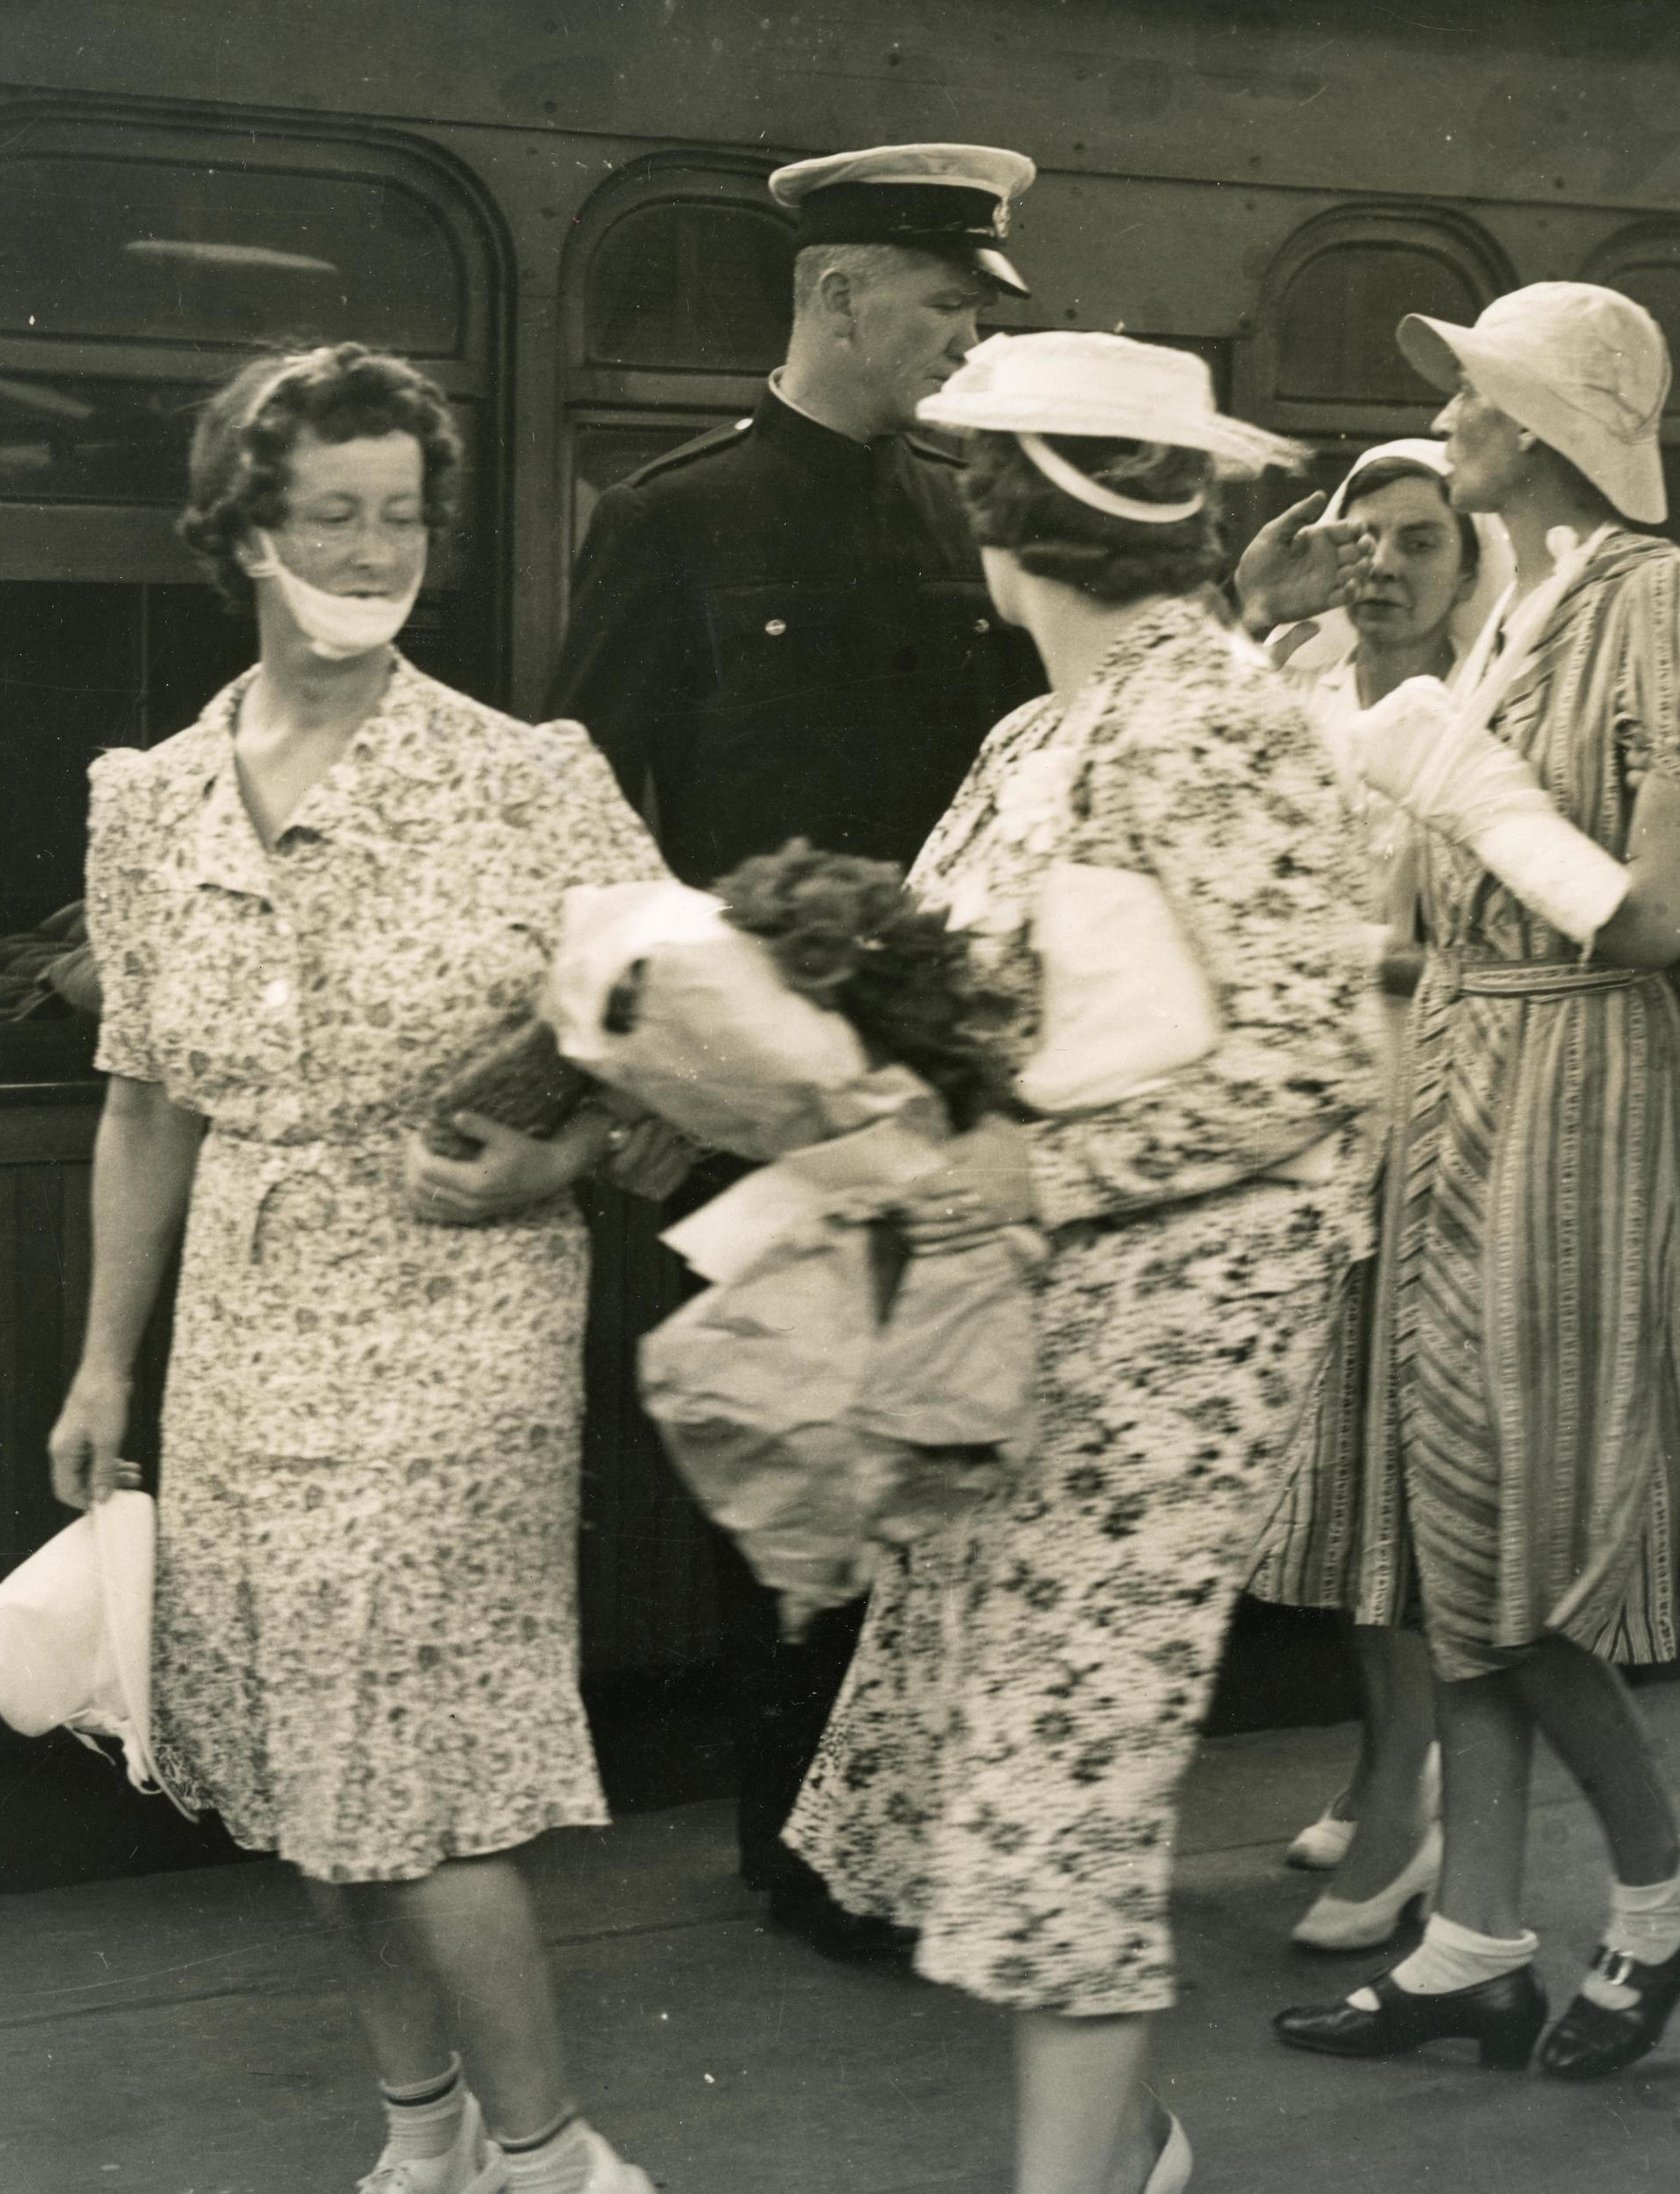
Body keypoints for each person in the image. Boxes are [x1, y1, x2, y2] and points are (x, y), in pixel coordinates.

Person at [47, 343, 692, 2194]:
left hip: (457, 1312)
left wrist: (552, 1169)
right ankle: (433, 2144)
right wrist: (101, 1367)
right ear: (243, 527)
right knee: (294, 1767)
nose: (374, 551)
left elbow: (681, 1052)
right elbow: (145, 1101)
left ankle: (570, 2167)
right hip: (244, 1317)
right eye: (333, 513)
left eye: (403, 513)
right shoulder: (149, 803)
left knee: (417, 1762)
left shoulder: (527, 777)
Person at [783, 331, 1384, 2194]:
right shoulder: (1053, 731)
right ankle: (1121, 2174)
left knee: (1064, 1786)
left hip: (1165, 1347)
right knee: (1025, 1764)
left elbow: (1323, 1057)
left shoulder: (1202, 718)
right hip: (1034, 1331)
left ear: (994, 510)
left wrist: (1037, 1169)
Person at [548, 143, 1047, 1959]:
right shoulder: (671, 519)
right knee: (806, 1460)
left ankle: (901, 1827)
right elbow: (586, 817)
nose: (971, 335)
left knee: (935, 1446)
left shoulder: (963, 517)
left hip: (947, 1086)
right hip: (759, 1091)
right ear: (840, 294)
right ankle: (808, 1850)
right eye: (945, 301)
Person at [1272, 282, 1680, 2080]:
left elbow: (1663, 913)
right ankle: (1475, 1941)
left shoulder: (1658, 598)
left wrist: (1460, 784)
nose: (1447, 414)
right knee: (1447, 1528)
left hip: (1568, 1069)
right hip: (1460, 1065)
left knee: (1519, 1543)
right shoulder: (1519, 615)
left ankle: (1660, 1884)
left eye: (1470, 391)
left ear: (1537, 424)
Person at [1242, 441, 1514, 1954]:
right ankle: (1385, 1759)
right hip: (1306, 1122)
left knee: (1398, 1481)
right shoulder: (1293, 688)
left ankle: (1409, 1815)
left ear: (1468, 564)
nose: (1389, 565)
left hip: (1434, 1116)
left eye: (1423, 540)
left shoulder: (1485, 704)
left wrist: (1373, 962)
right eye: (1365, 538)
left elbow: (1491, 921)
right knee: (1336, 1472)